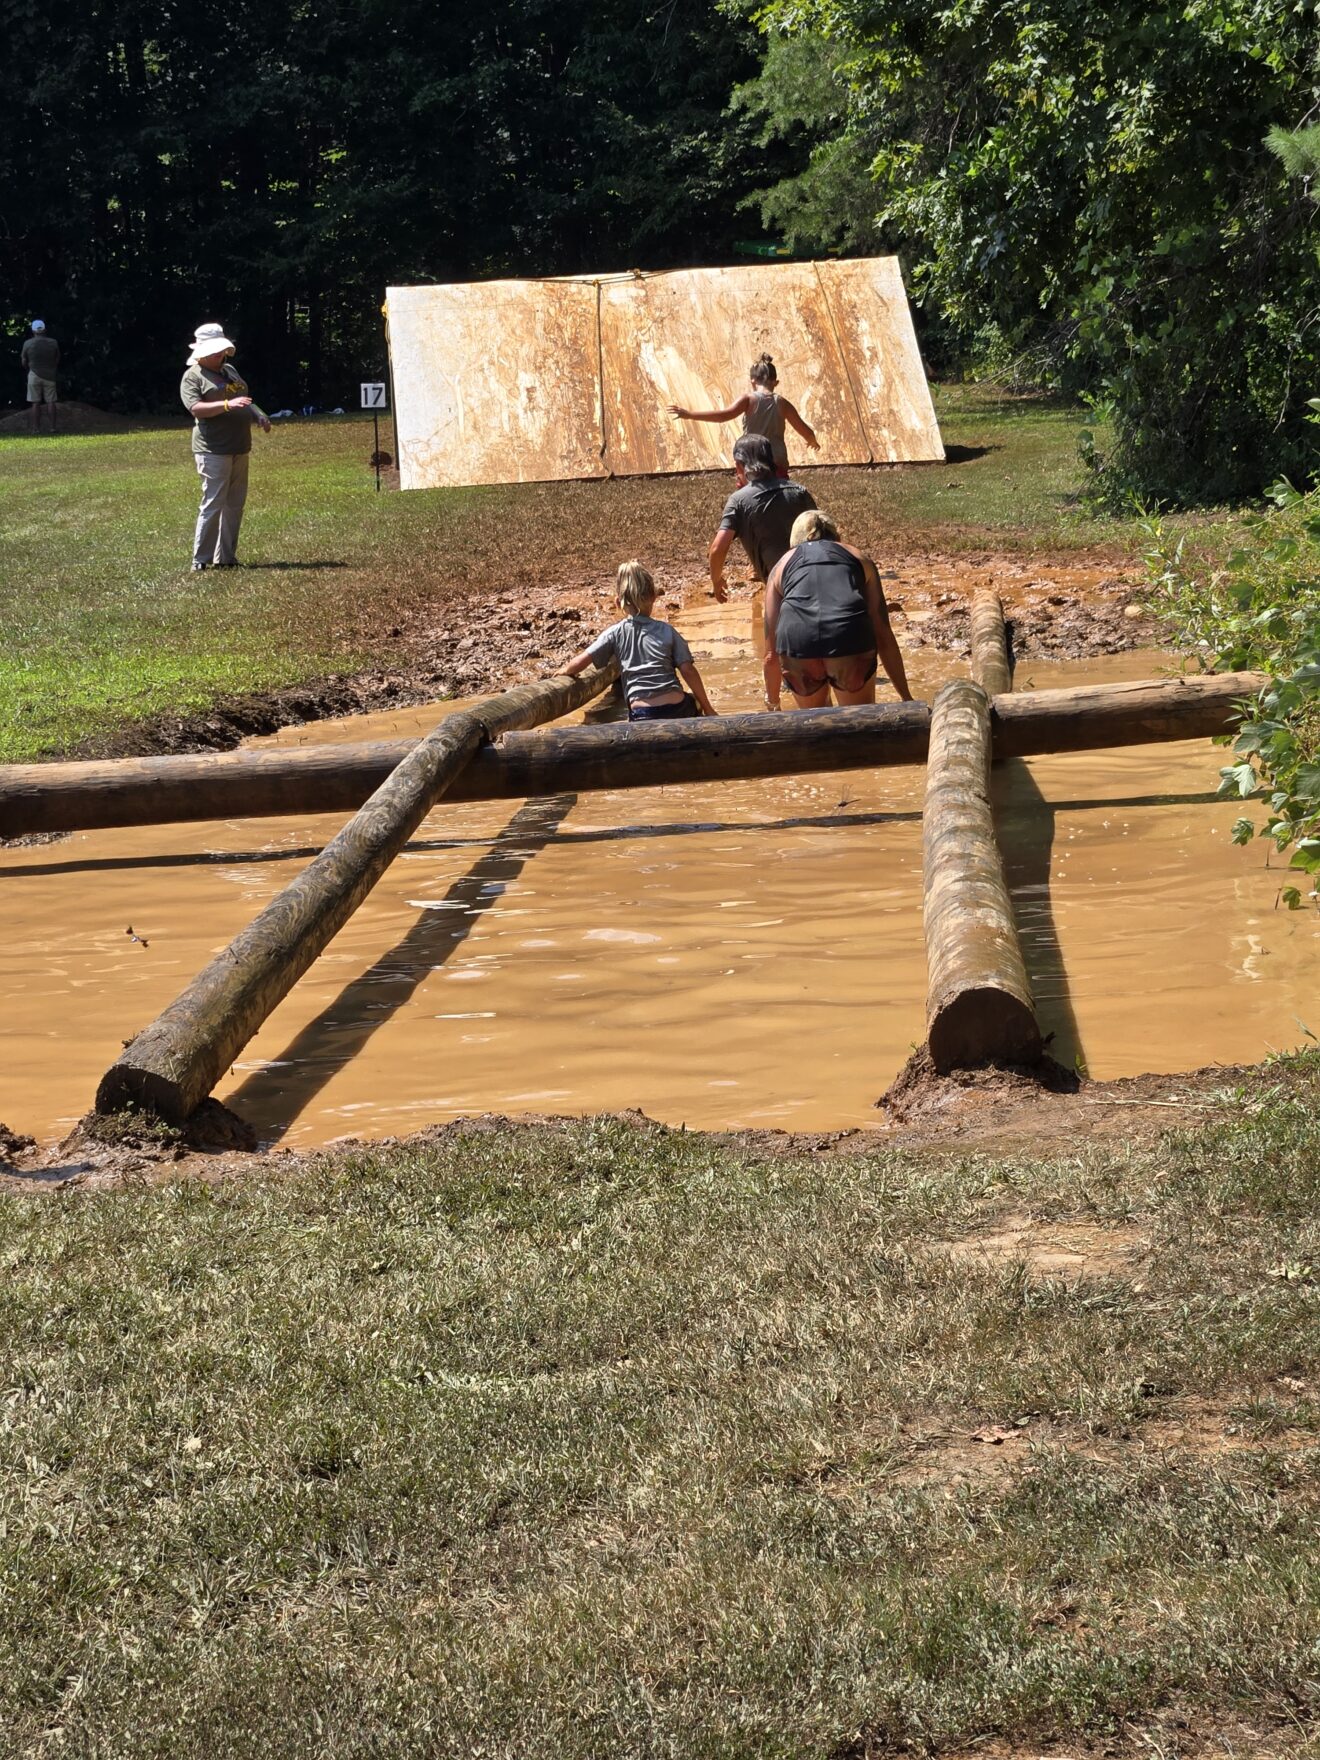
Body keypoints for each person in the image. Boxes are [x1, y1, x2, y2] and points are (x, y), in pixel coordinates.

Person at [763, 509, 913, 711]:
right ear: (836, 536)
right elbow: (883, 634)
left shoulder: (781, 566)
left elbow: (771, 654)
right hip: (848, 637)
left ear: (794, 541)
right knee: (858, 724)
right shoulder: (859, 557)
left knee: (814, 725)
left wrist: (773, 705)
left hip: (799, 641)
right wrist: (906, 698)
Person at [564, 561, 718, 721]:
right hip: (676, 708)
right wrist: (708, 708)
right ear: (654, 596)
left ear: (618, 602)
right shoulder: (667, 630)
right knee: (694, 701)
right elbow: (688, 671)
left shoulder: (615, 632)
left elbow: (579, 663)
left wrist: (564, 671)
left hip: (641, 714)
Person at [179, 321, 271, 571]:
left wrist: (259, 414)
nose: (221, 355)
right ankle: (201, 559)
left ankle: (226, 557)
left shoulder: (229, 370)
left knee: (235, 504)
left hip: (240, 446)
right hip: (212, 449)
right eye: (215, 352)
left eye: (222, 351)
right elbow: (196, 408)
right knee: (213, 502)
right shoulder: (193, 377)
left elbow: (245, 399)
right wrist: (227, 406)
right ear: (201, 353)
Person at [667, 352, 819, 478]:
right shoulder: (782, 403)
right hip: (776, 462)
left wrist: (690, 414)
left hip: (753, 461)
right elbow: (805, 430)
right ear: (776, 382)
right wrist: (812, 440)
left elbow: (723, 416)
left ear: (753, 381)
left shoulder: (748, 399)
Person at [708, 434, 816, 601]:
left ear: (739, 466)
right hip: (815, 578)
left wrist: (716, 581)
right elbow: (824, 532)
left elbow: (717, 549)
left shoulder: (738, 501)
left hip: (783, 588)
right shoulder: (799, 491)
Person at [21, 320, 59, 435]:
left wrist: (29, 369)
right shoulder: (53, 342)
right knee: (51, 402)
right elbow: (57, 358)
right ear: (44, 329)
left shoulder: (27, 343)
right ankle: (52, 428)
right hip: (50, 375)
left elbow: (23, 360)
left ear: (33, 330)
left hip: (33, 374)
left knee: (35, 402)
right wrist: (52, 368)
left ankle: (36, 429)